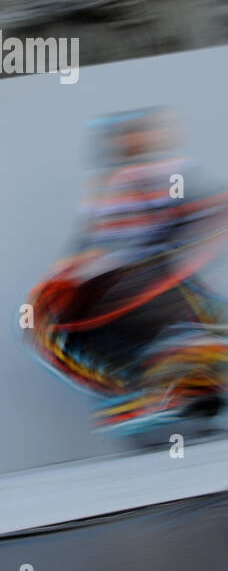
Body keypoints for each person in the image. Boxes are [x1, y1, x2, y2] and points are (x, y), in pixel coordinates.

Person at [26, 110, 228, 436]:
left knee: (193, 321)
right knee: (190, 321)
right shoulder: (133, 182)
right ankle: (169, 389)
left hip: (126, 301)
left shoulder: (133, 182)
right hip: (121, 298)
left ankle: (179, 388)